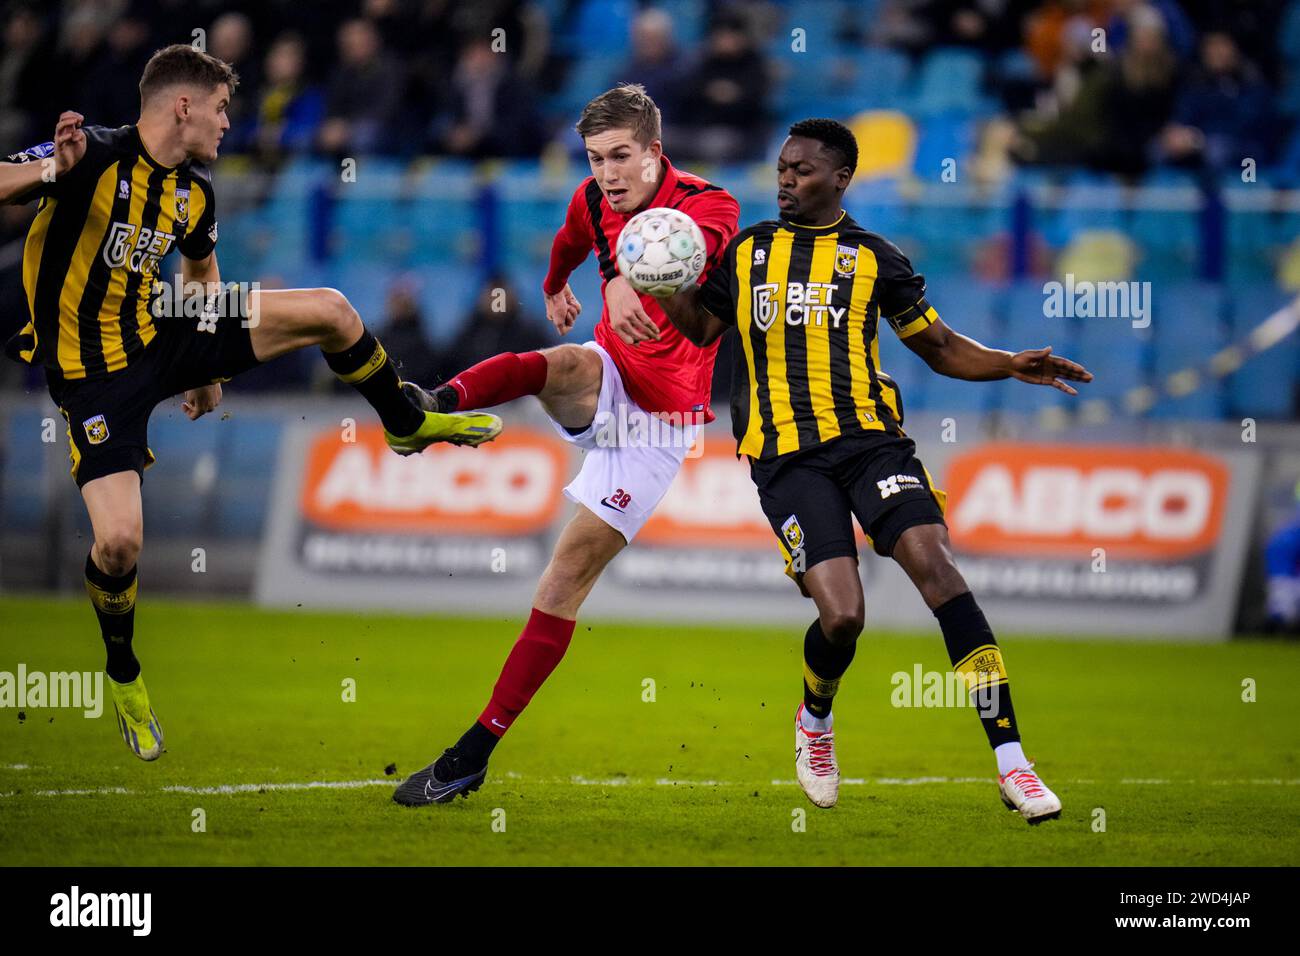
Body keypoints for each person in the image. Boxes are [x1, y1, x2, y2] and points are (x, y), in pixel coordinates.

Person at [0, 44, 490, 762]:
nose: (231, 122)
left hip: (164, 325)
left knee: (331, 307)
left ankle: (406, 421)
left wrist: (207, 362)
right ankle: (125, 673)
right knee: (119, 543)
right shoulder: (93, 153)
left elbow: (199, 269)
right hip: (92, 377)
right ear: (183, 105)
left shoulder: (193, 191)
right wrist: (51, 171)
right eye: (224, 107)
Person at [652, 118, 1093, 823]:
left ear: (840, 179)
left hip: (873, 444)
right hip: (787, 457)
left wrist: (1011, 363)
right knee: (844, 614)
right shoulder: (749, 251)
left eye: (802, 169)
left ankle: (1014, 763)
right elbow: (702, 330)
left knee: (940, 572)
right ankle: (816, 722)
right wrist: (662, 280)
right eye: (782, 168)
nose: (786, 179)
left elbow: (941, 347)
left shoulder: (874, 259)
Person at [392, 84, 740, 806]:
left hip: (659, 426)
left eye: (621, 157)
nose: (609, 173)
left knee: (561, 581)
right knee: (561, 362)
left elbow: (688, 267)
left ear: (654, 151)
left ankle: (472, 753)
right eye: (595, 158)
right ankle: (432, 406)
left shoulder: (712, 207)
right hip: (610, 377)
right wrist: (557, 285)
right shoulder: (591, 199)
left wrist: (624, 280)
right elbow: (570, 240)